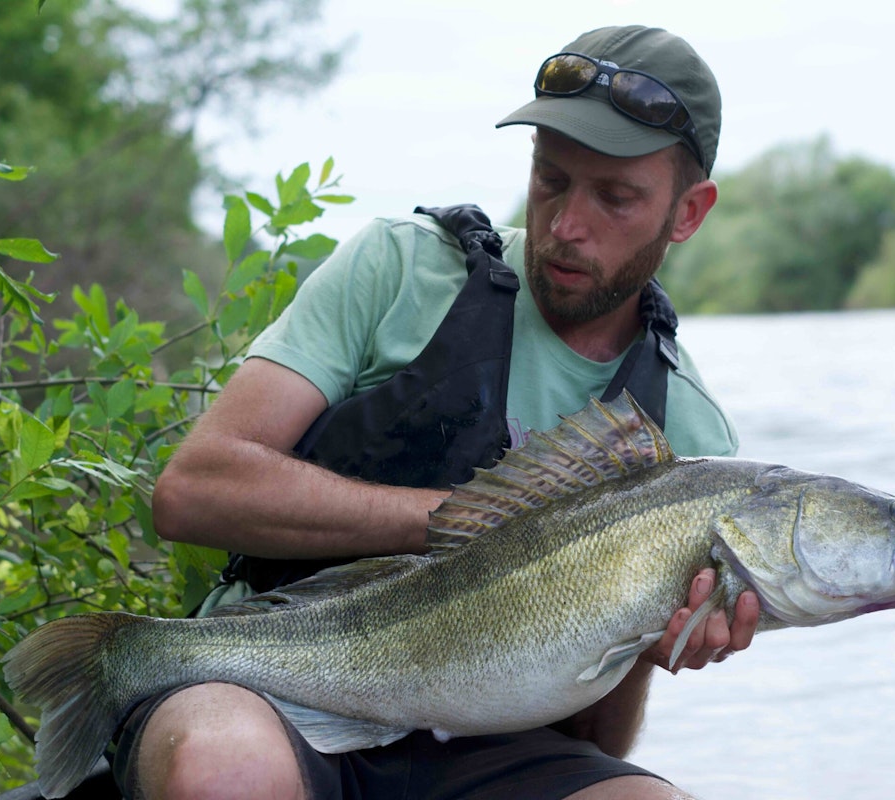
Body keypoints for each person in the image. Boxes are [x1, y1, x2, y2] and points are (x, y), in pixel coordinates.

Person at [128, 24, 760, 800]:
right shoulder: (398, 268)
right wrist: (473, 522)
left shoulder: (690, 437)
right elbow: (192, 492)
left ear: (688, 213)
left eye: (616, 198)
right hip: (262, 679)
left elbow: (594, 742)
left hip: (483, 748)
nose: (567, 224)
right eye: (551, 178)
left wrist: (646, 643)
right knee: (226, 768)